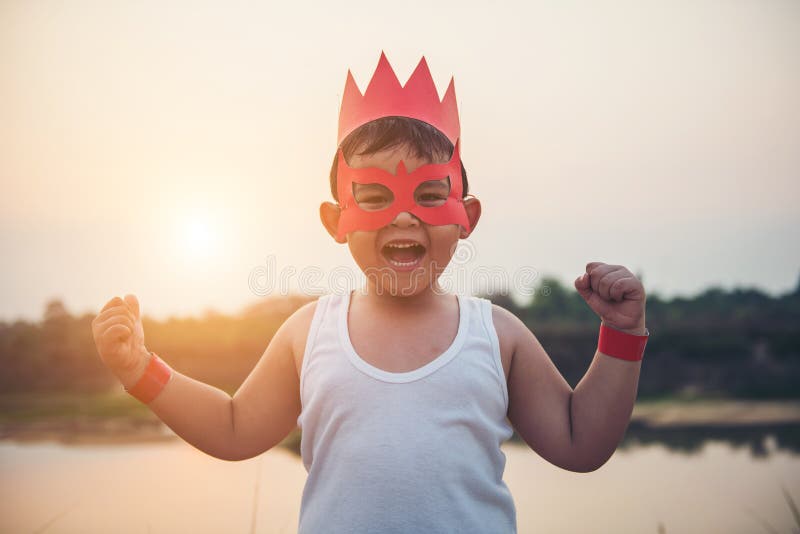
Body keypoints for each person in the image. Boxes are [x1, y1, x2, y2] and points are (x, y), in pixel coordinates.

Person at [91, 52, 649, 533]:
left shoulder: (496, 334)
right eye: (375, 197)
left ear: (467, 217)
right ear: (336, 220)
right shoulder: (309, 332)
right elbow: (236, 428)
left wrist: (621, 337)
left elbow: (580, 443)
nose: (403, 214)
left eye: (430, 194)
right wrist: (142, 370)